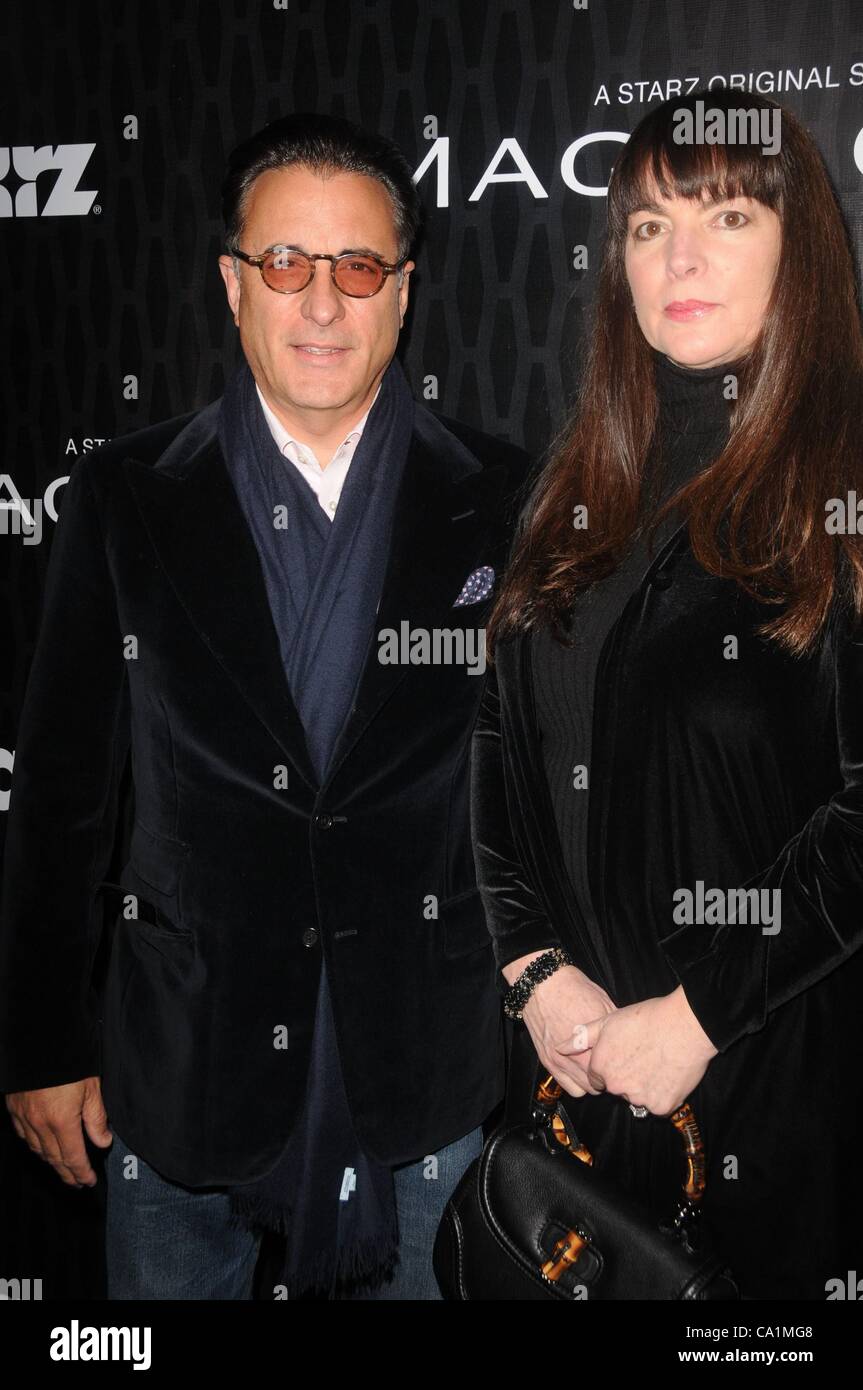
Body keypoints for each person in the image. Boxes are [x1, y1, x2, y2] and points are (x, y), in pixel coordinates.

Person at [0, 112, 531, 1300]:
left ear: (403, 294)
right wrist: (39, 1040)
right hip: (183, 1061)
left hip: (423, 1065)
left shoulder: (505, 497)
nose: (321, 304)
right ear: (233, 285)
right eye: (285, 264)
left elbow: (535, 792)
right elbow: (63, 798)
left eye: (356, 268)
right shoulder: (127, 494)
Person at [472, 88, 863, 1300]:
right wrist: (533, 973)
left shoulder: (840, 491)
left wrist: (695, 1016)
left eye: (724, 215)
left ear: (795, 252)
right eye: (645, 225)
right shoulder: (578, 478)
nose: (676, 255)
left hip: (775, 1095)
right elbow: (494, 746)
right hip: (577, 1100)